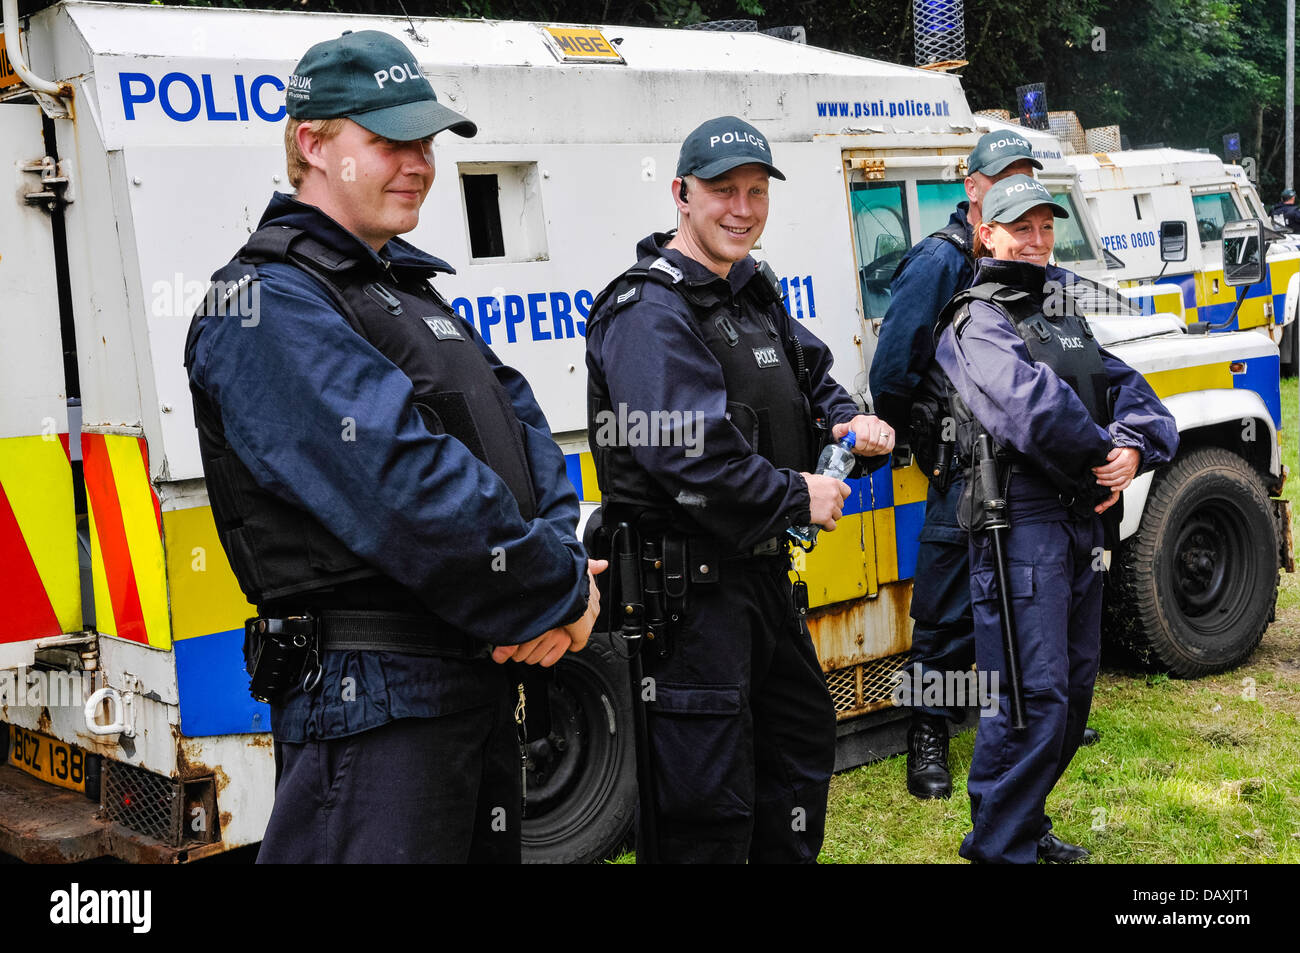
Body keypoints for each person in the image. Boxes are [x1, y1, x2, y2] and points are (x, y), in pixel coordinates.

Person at [184, 30, 601, 864]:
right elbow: (402, 480)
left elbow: (521, 428)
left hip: (465, 685)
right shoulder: (262, 299)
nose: (419, 161)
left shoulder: (405, 287)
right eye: (388, 140)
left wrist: (558, 566)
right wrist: (560, 591)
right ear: (312, 143)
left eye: (426, 141)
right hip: (372, 706)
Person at [585, 116, 895, 863]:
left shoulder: (752, 291)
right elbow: (688, 456)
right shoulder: (647, 311)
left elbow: (815, 379)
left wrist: (848, 423)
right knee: (706, 808)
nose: (743, 208)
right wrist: (796, 495)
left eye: (757, 192)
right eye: (724, 191)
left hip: (760, 583)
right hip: (688, 604)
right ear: (681, 194)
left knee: (792, 755)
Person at [934, 174, 1179, 864]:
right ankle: (1001, 848)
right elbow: (1029, 407)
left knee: (1069, 698)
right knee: (1027, 701)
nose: (1039, 241)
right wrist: (1106, 450)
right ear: (987, 234)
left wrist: (1135, 446)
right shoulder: (977, 318)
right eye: (1022, 228)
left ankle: (1017, 825)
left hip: (1080, 519)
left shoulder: (1061, 311)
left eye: (1047, 227)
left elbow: (1128, 389)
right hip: (1022, 524)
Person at [868, 129, 1045, 799]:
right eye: (1002, 178)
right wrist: (926, 439)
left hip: (1021, 463)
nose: (1014, 188)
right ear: (972, 187)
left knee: (1022, 594)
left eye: (1026, 176)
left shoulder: (1024, 261)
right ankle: (929, 738)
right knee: (943, 611)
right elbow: (893, 369)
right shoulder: (940, 261)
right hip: (962, 466)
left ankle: (1034, 714)